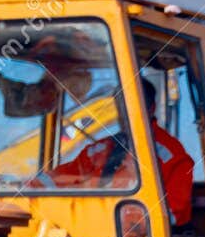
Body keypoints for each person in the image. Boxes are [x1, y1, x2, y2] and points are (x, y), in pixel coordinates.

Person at [53, 75, 194, 223]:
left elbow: (173, 212)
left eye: (131, 106)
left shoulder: (173, 157)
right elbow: (62, 176)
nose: (124, 114)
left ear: (151, 109)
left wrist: (128, 223)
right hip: (94, 235)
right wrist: (30, 191)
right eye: (120, 106)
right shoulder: (100, 150)